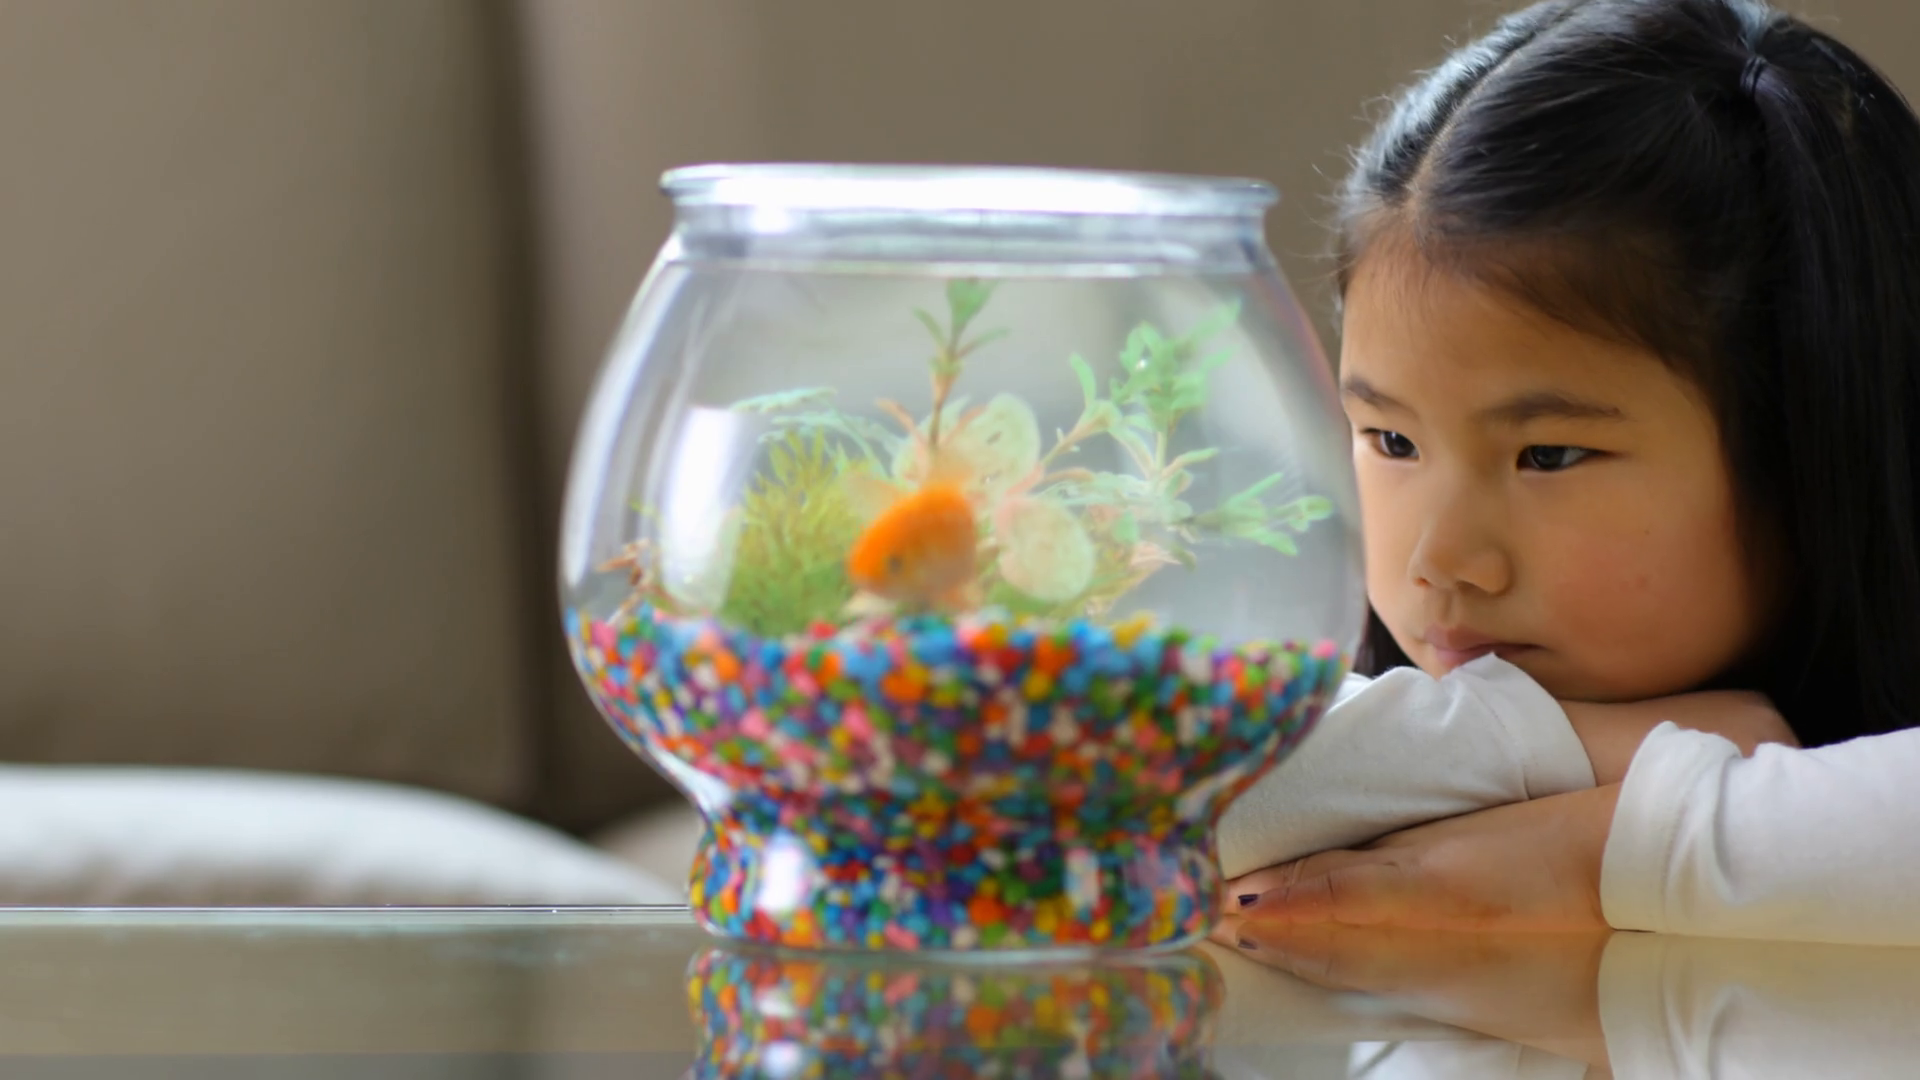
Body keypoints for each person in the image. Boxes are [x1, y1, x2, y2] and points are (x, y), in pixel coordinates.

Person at [1210, 0, 1920, 945]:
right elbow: (1102, 796)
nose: (1439, 560)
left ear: (1811, 442)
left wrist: (1659, 834)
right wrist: (1571, 747)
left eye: (1547, 455)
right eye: (1390, 440)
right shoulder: (1353, 716)